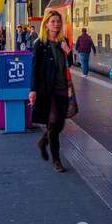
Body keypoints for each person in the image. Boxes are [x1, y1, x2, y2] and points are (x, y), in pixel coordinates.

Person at [28, 11, 74, 172]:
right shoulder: (40, 44)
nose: (56, 24)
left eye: (58, 22)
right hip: (47, 89)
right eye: (53, 21)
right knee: (53, 123)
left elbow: (70, 63)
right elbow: (34, 69)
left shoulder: (63, 41)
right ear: (46, 24)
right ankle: (56, 160)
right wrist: (32, 90)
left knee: (60, 125)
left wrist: (67, 51)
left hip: (63, 88)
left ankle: (43, 141)